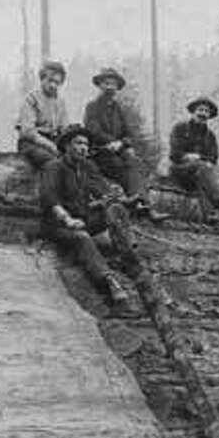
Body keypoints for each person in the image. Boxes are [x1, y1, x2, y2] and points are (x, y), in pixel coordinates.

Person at [38, 124, 141, 311]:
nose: (83, 148)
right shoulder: (54, 167)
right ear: (67, 146)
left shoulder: (87, 167)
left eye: (86, 144)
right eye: (78, 143)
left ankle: (129, 250)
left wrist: (114, 198)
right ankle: (110, 285)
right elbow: (49, 199)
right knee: (82, 237)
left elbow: (101, 188)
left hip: (83, 218)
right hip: (57, 223)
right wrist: (67, 219)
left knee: (115, 210)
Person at [83, 67, 168, 222]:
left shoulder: (119, 109)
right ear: (100, 86)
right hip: (99, 152)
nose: (109, 87)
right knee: (123, 166)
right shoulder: (92, 107)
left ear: (117, 87)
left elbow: (128, 134)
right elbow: (92, 131)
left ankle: (143, 205)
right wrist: (111, 142)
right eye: (106, 83)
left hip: (118, 151)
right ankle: (138, 204)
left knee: (134, 162)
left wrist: (121, 143)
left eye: (113, 84)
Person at [168, 96, 219, 224]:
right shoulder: (180, 128)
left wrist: (199, 158)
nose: (203, 114)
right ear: (193, 112)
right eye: (200, 110)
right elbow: (174, 154)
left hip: (199, 173)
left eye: (207, 112)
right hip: (180, 171)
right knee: (203, 168)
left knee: (202, 174)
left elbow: (213, 158)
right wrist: (187, 157)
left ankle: (210, 215)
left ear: (209, 116)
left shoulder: (210, 135)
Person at [15, 60, 70, 169]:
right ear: (42, 79)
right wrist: (50, 146)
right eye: (50, 81)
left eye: (57, 83)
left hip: (53, 142)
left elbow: (64, 128)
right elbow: (27, 132)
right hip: (32, 144)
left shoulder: (60, 103)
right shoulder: (31, 99)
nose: (53, 85)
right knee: (53, 163)